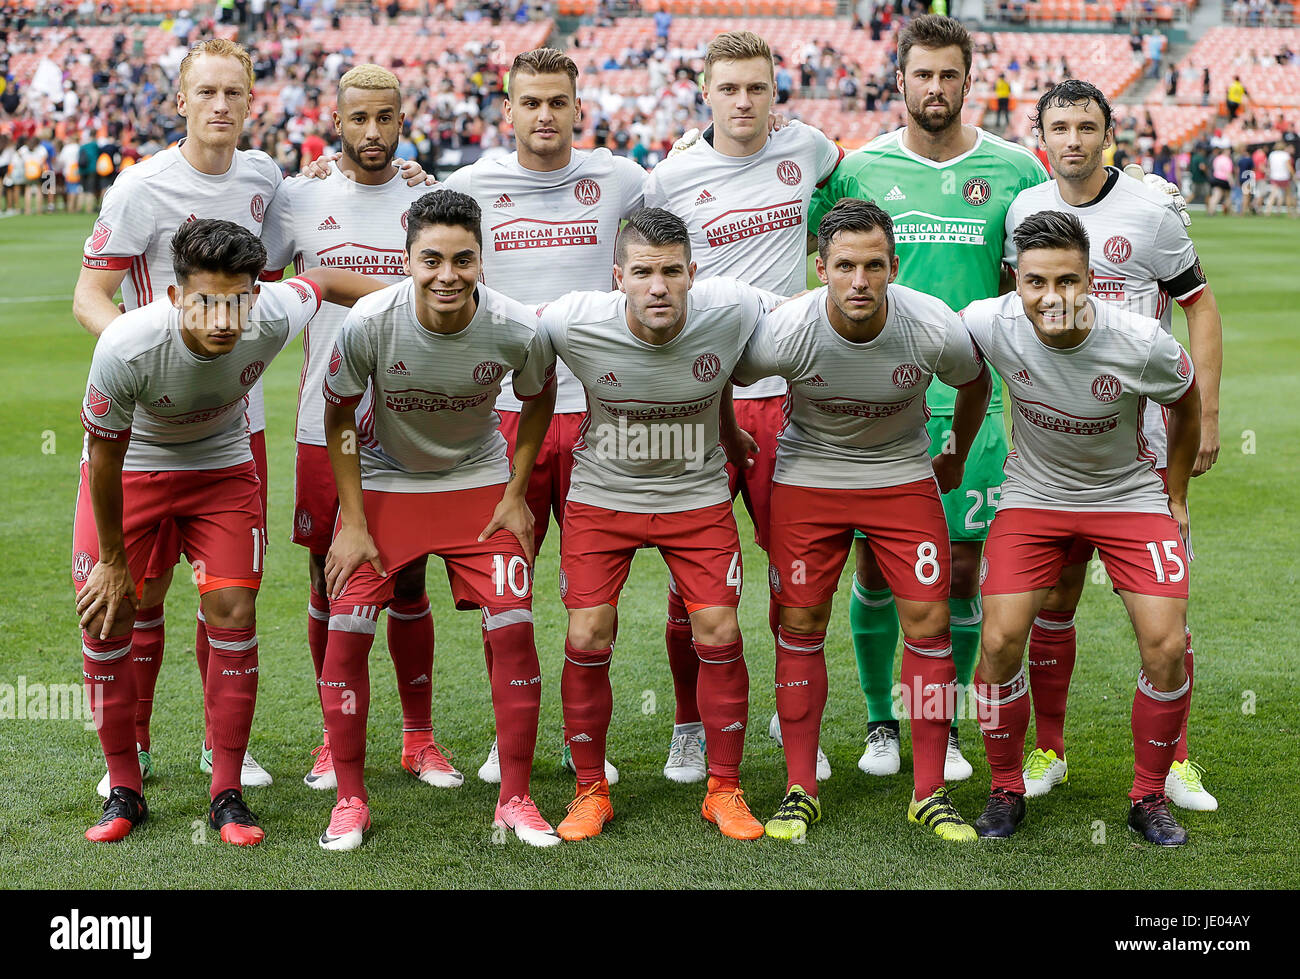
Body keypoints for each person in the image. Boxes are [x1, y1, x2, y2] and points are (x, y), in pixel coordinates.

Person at [74, 218, 379, 844]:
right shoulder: (126, 346)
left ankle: (228, 794)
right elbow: (103, 458)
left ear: (254, 295)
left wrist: (409, 294)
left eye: (237, 301)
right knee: (106, 618)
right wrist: (111, 559)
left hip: (221, 469)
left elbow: (319, 279)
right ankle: (124, 789)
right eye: (206, 302)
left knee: (234, 613)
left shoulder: (270, 313)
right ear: (174, 296)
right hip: (134, 471)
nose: (222, 319)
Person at [809, 15, 1049, 782]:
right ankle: (884, 721)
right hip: (879, 405)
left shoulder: (1014, 170)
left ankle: (942, 730)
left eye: (950, 75)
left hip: (974, 405)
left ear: (968, 80)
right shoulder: (857, 169)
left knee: (966, 569)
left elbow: (1028, 284)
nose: (935, 88)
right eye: (923, 75)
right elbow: (826, 270)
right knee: (879, 570)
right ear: (900, 80)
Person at [738, 199, 990, 843]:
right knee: (799, 622)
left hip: (901, 479)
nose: (859, 281)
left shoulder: (930, 324)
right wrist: (728, 440)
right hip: (808, 480)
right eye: (845, 265)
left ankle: (929, 792)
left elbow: (975, 381)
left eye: (873, 265)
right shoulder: (786, 327)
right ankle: (800, 788)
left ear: (893, 266)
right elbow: (720, 376)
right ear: (820, 267)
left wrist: (954, 454)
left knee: (931, 623)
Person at [316, 190, 560, 850]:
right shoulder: (369, 321)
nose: (447, 274)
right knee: (347, 636)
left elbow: (540, 401)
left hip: (477, 483)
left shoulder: (516, 327)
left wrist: (515, 490)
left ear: (482, 260)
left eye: (462, 259)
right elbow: (338, 418)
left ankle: (514, 797)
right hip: (387, 482)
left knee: (513, 628)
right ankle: (348, 798)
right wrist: (354, 520)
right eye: (431, 260)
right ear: (407, 260)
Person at [1005, 80, 1223, 810]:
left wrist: (1210, 414)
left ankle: (1175, 766)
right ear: (1041, 135)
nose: (1073, 139)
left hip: (1147, 444)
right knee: (1055, 596)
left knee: (1167, 615)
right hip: (1054, 447)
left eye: (1087, 126)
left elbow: (1199, 303)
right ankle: (1049, 748)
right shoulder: (1024, 211)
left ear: (1109, 133)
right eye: (1060, 127)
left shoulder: (1152, 210)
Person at [73, 39, 283, 795]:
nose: (220, 105)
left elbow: (292, 268)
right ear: (181, 101)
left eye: (234, 92)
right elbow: (88, 295)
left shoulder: (265, 177)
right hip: (150, 414)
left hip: (235, 417)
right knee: (144, 590)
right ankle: (135, 741)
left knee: (225, 590)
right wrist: (151, 356)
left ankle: (219, 747)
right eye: (206, 93)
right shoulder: (142, 188)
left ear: (251, 103)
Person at [526, 208, 776, 842]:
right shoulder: (571, 320)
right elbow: (499, 345)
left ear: (694, 273)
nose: (658, 287)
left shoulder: (735, 308)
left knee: (719, 628)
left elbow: (822, 312)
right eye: (642, 273)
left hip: (695, 494)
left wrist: (726, 428)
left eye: (671, 271)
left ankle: (725, 789)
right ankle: (590, 791)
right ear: (619, 278)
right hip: (603, 494)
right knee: (586, 633)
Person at [962, 210, 1200, 846]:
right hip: (1034, 496)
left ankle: (1148, 797)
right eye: (1036, 281)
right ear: (1015, 279)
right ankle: (1007, 786)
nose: (1053, 297)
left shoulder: (1140, 341)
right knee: (999, 642)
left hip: (1127, 496)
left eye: (1068, 281)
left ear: (1091, 279)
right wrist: (954, 450)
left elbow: (1187, 399)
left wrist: (1174, 494)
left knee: (1167, 645)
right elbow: (950, 361)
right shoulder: (989, 322)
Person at [644, 30, 844, 784]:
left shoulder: (809, 150)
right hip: (694, 400)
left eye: (757, 88)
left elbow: (852, 185)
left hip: (787, 395)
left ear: (775, 92)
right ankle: (688, 723)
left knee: (798, 576)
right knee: (685, 581)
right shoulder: (669, 178)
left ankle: (795, 721)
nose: (743, 101)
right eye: (728, 88)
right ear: (704, 90)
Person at [442, 48, 645, 786]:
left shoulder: (620, 178)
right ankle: (510, 736)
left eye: (557, 101)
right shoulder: (468, 184)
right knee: (507, 586)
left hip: (599, 414)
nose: (545, 115)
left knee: (594, 594)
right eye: (530, 102)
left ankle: (584, 736)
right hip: (503, 416)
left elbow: (674, 211)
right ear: (508, 111)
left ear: (577, 108)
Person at [260, 64, 457, 793]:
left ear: (404, 117)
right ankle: (330, 736)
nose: (372, 133)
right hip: (324, 418)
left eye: (386, 117)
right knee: (327, 577)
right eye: (358, 119)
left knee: (408, 577)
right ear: (334, 119)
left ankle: (419, 737)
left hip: (411, 421)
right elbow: (259, 290)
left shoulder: (429, 195)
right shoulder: (299, 199)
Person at [1265, 141, 1295, 216]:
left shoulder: (1272, 155)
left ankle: (1268, 211)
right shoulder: (1285, 155)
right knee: (1288, 194)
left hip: (1274, 176)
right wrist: (1293, 174)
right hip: (1284, 177)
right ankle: (1289, 212)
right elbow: (1289, 166)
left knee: (1273, 194)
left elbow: (1269, 165)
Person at [1208, 146, 1233, 215]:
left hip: (1216, 178)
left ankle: (1211, 210)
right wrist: (1231, 182)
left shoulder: (1217, 158)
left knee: (1216, 196)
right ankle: (1229, 211)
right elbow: (1228, 172)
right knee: (1227, 196)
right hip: (1224, 179)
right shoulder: (1227, 160)